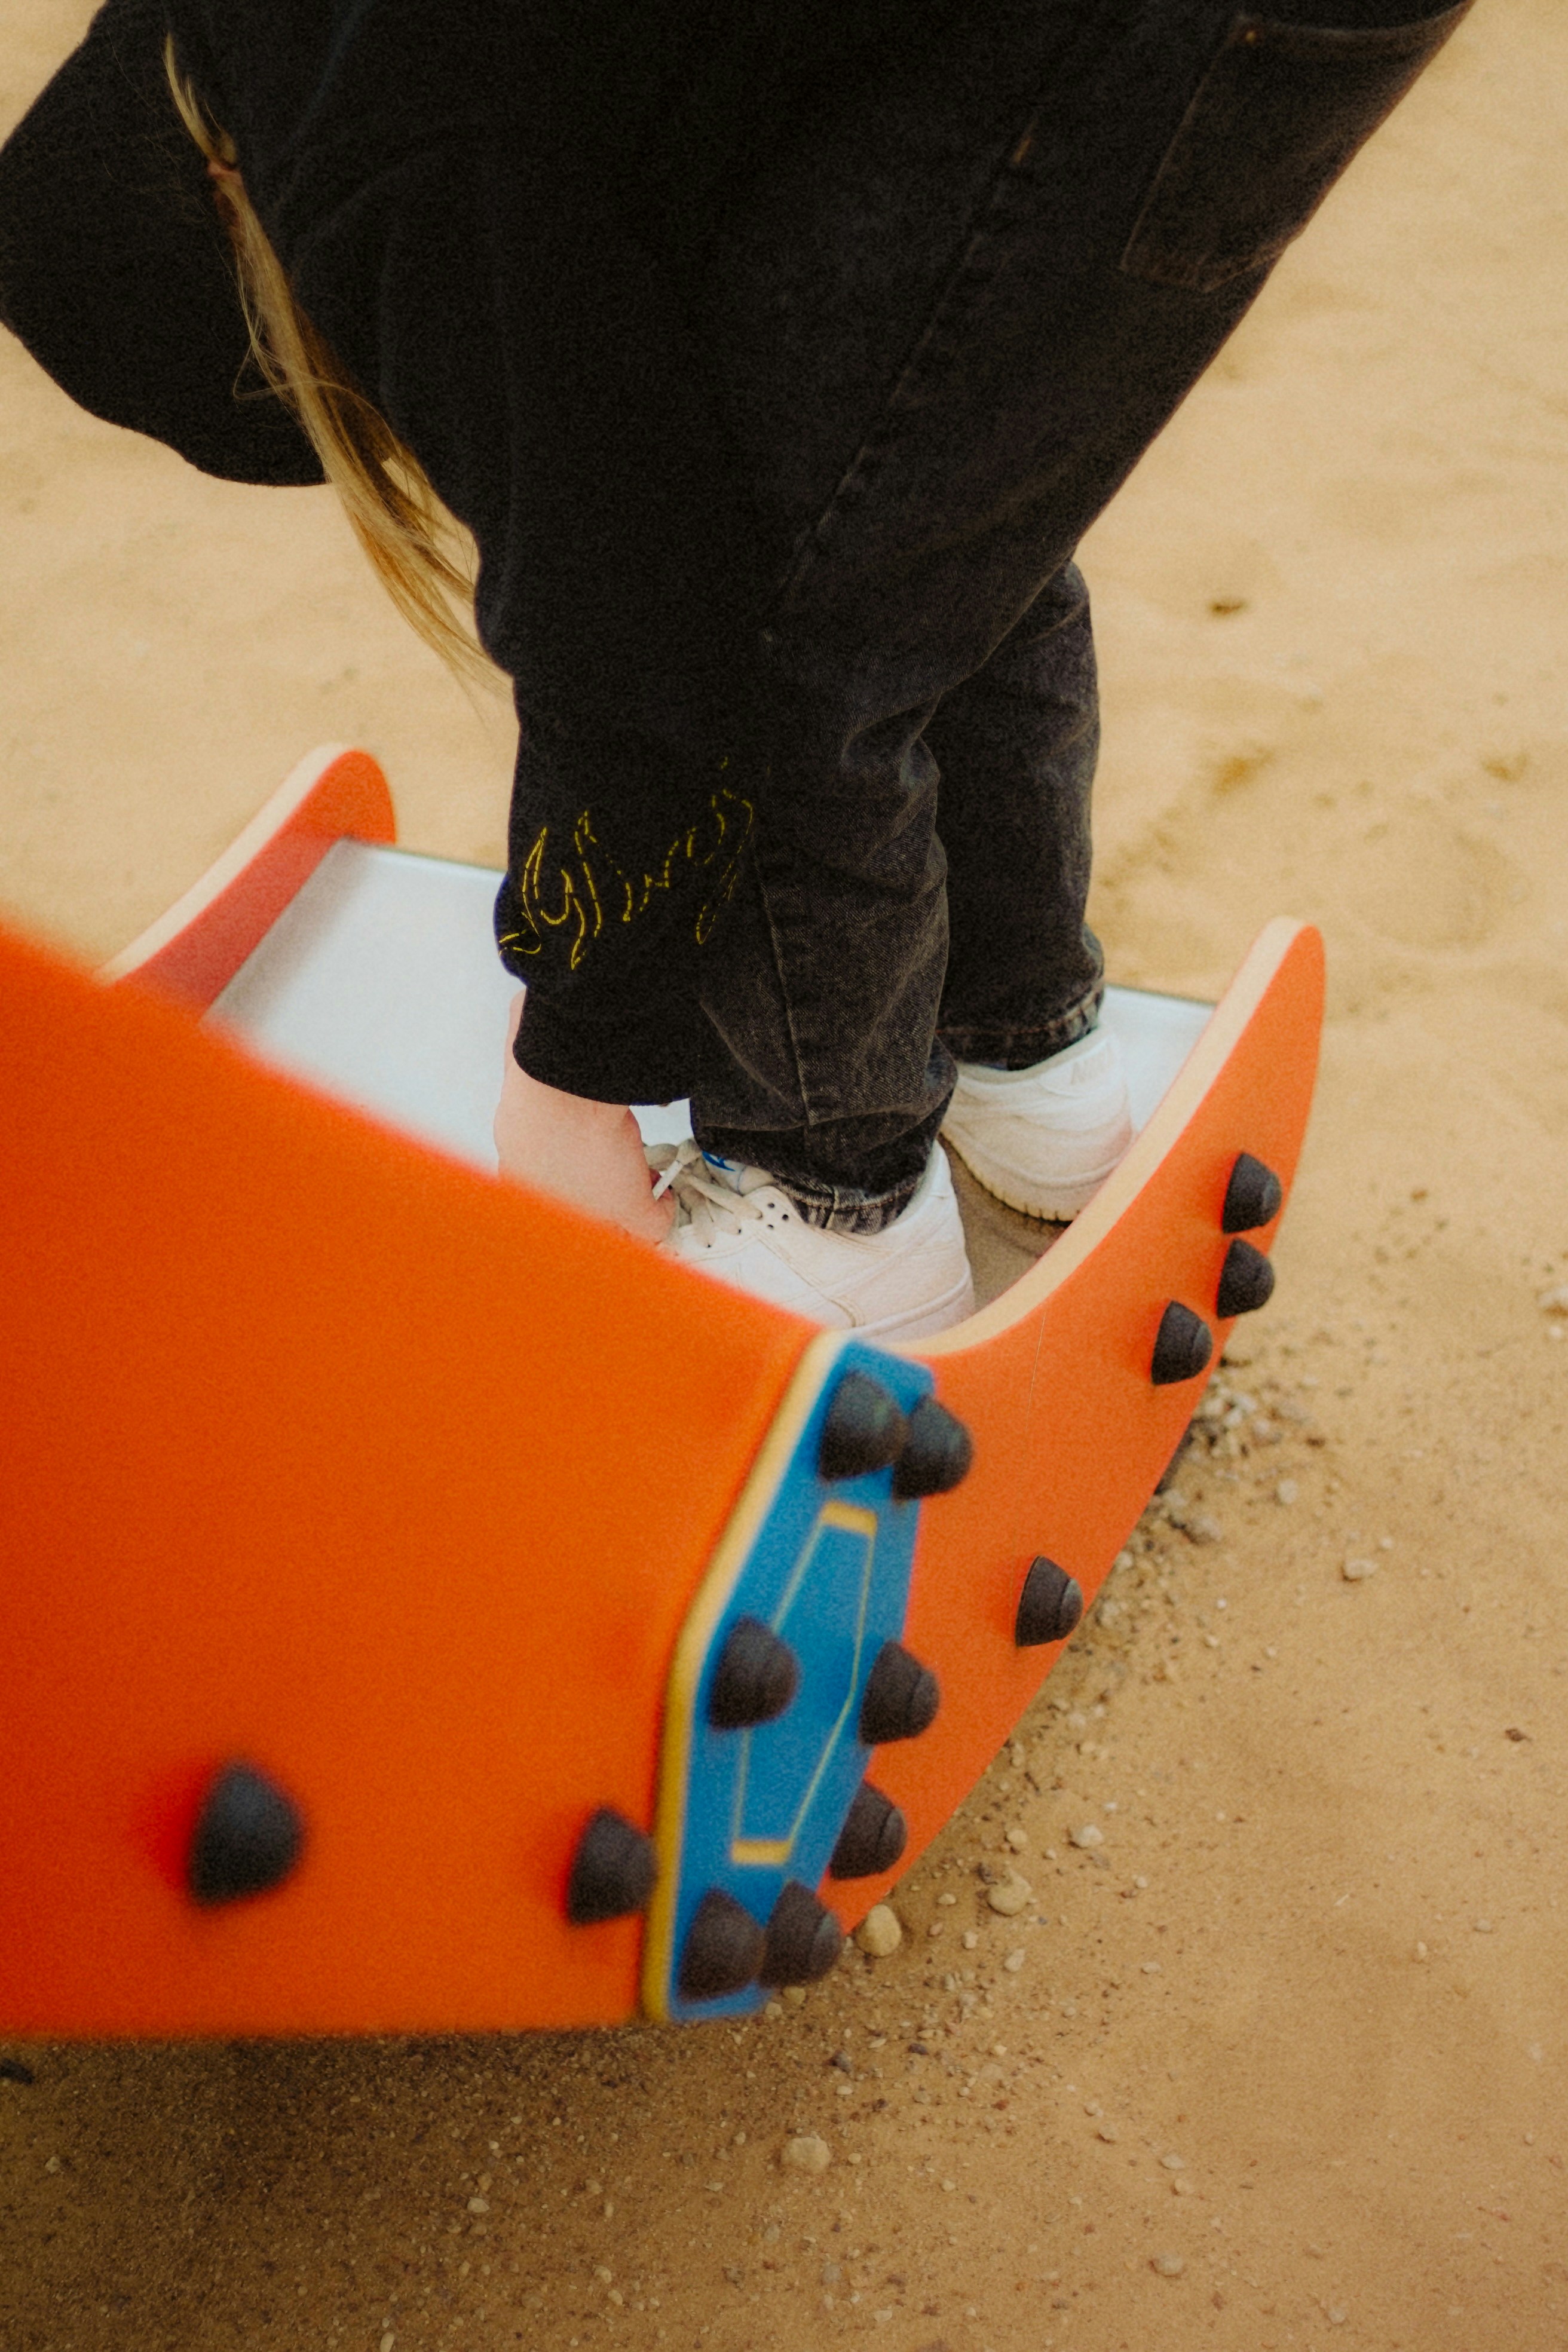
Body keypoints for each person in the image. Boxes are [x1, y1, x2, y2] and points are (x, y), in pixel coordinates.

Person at [0, 0, 1472, 1338]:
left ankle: (834, 1212)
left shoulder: (389, 156)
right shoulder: (337, 59)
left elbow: (638, 641)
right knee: (911, 486)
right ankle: (1028, 1064)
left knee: (788, 598)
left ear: (231, 216)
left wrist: (569, 1083)